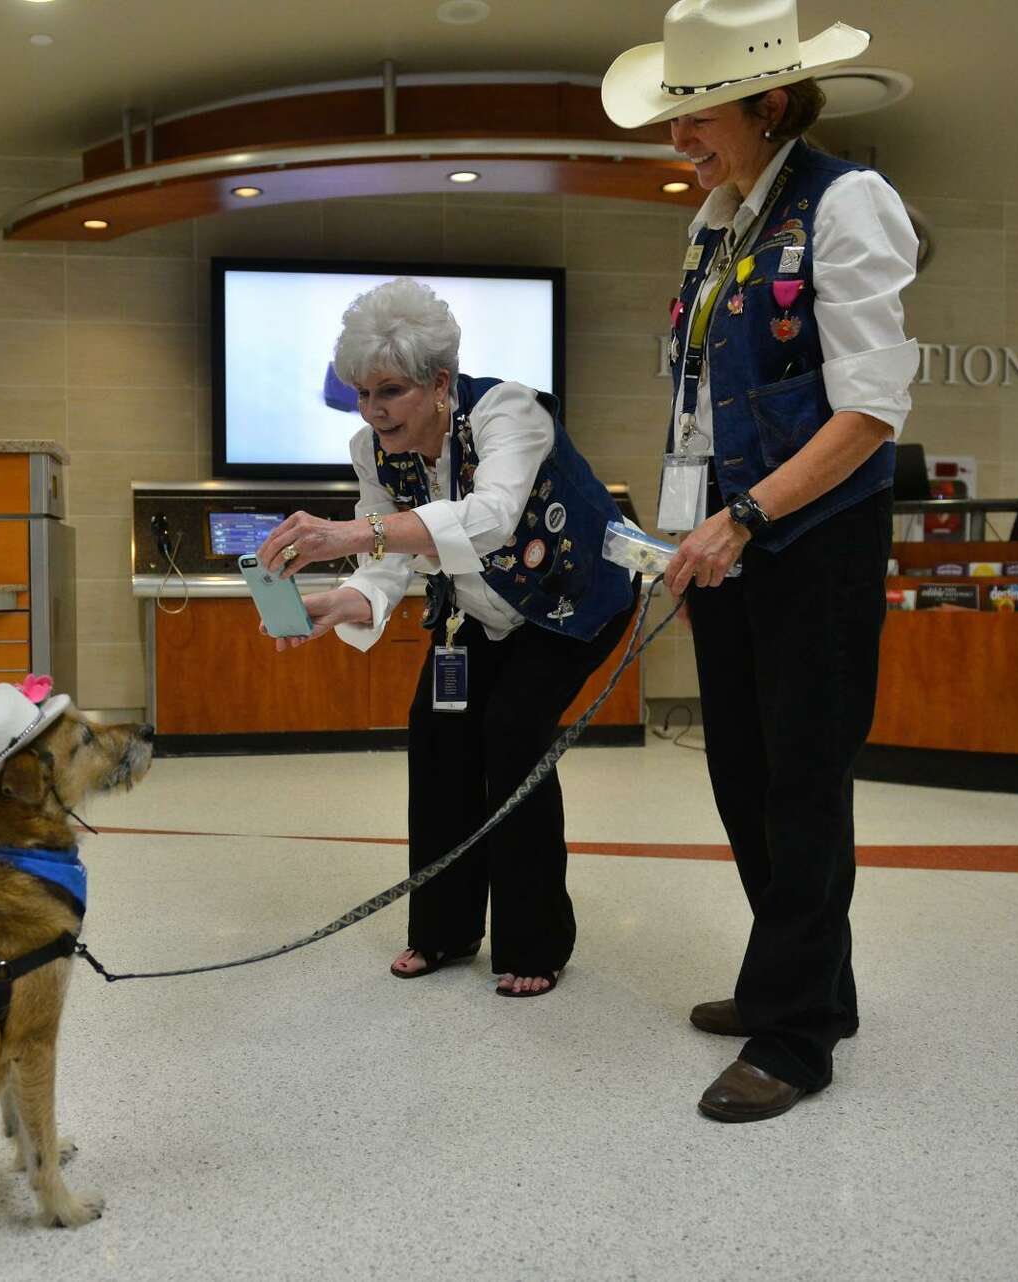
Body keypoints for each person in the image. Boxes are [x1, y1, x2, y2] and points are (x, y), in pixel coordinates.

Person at [602, 0, 919, 1120]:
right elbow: (704, 405)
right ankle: (801, 979)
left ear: (769, 103)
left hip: (809, 547)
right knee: (743, 776)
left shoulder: (848, 202)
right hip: (726, 549)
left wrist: (744, 515)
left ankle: (795, 1037)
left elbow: (871, 410)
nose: (677, 142)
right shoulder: (721, 220)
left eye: (696, 118)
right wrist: (689, 537)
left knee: (802, 786)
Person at [256, 278, 638, 997]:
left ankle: (535, 943)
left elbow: (491, 517)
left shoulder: (508, 411)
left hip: (574, 600)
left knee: (512, 732)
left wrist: (349, 531)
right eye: (362, 393)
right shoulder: (372, 449)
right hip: (477, 613)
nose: (374, 411)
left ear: (438, 384)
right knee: (435, 738)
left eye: (390, 391)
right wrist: (344, 599)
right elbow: (389, 559)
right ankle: (444, 930)